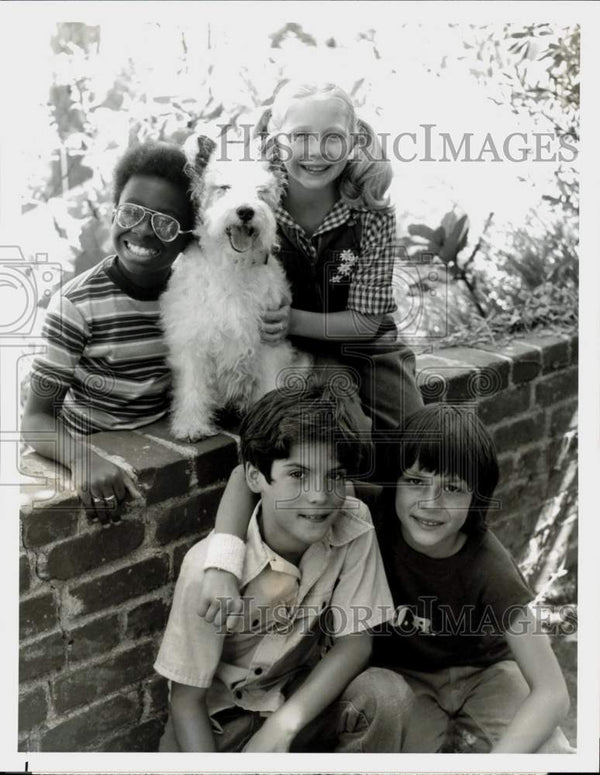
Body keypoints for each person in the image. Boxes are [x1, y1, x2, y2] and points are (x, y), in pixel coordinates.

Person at [195, 403, 573, 754]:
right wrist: (223, 564)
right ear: (393, 481)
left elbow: (553, 693)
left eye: (453, 488)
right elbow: (243, 477)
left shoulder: (489, 565)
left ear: (478, 498)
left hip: (484, 674)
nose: (430, 502)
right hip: (407, 680)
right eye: (416, 482)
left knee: (547, 753)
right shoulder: (366, 510)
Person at [198, 80, 424, 615]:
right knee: (330, 437)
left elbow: (367, 320)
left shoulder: (371, 214)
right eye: (300, 135)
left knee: (416, 442)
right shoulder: (253, 197)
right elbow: (203, 232)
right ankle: (339, 573)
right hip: (297, 353)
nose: (315, 151)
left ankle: (411, 572)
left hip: (367, 344)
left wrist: (294, 317)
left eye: (332, 137)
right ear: (275, 140)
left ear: (354, 141)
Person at [153, 383, 412, 752]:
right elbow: (186, 701)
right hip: (219, 725)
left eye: (334, 475)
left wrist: (283, 726)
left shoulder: (352, 527)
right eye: (298, 475)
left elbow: (355, 644)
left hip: (296, 705)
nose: (320, 495)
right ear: (256, 478)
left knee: (387, 697)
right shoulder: (210, 571)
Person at [22, 142, 196, 523]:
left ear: (188, 236)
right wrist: (82, 460)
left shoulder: (192, 294)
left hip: (159, 452)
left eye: (165, 223)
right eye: (131, 211)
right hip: (90, 447)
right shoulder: (77, 304)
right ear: (113, 211)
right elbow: (35, 419)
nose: (143, 231)